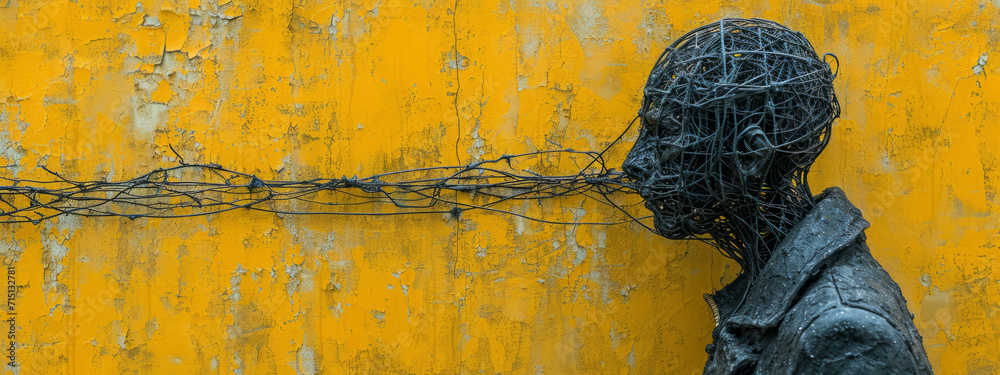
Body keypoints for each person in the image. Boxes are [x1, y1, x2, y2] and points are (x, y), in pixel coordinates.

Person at [622, 18, 932, 374]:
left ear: (750, 155)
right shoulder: (779, 292)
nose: (633, 163)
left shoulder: (843, 335)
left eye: (664, 135)